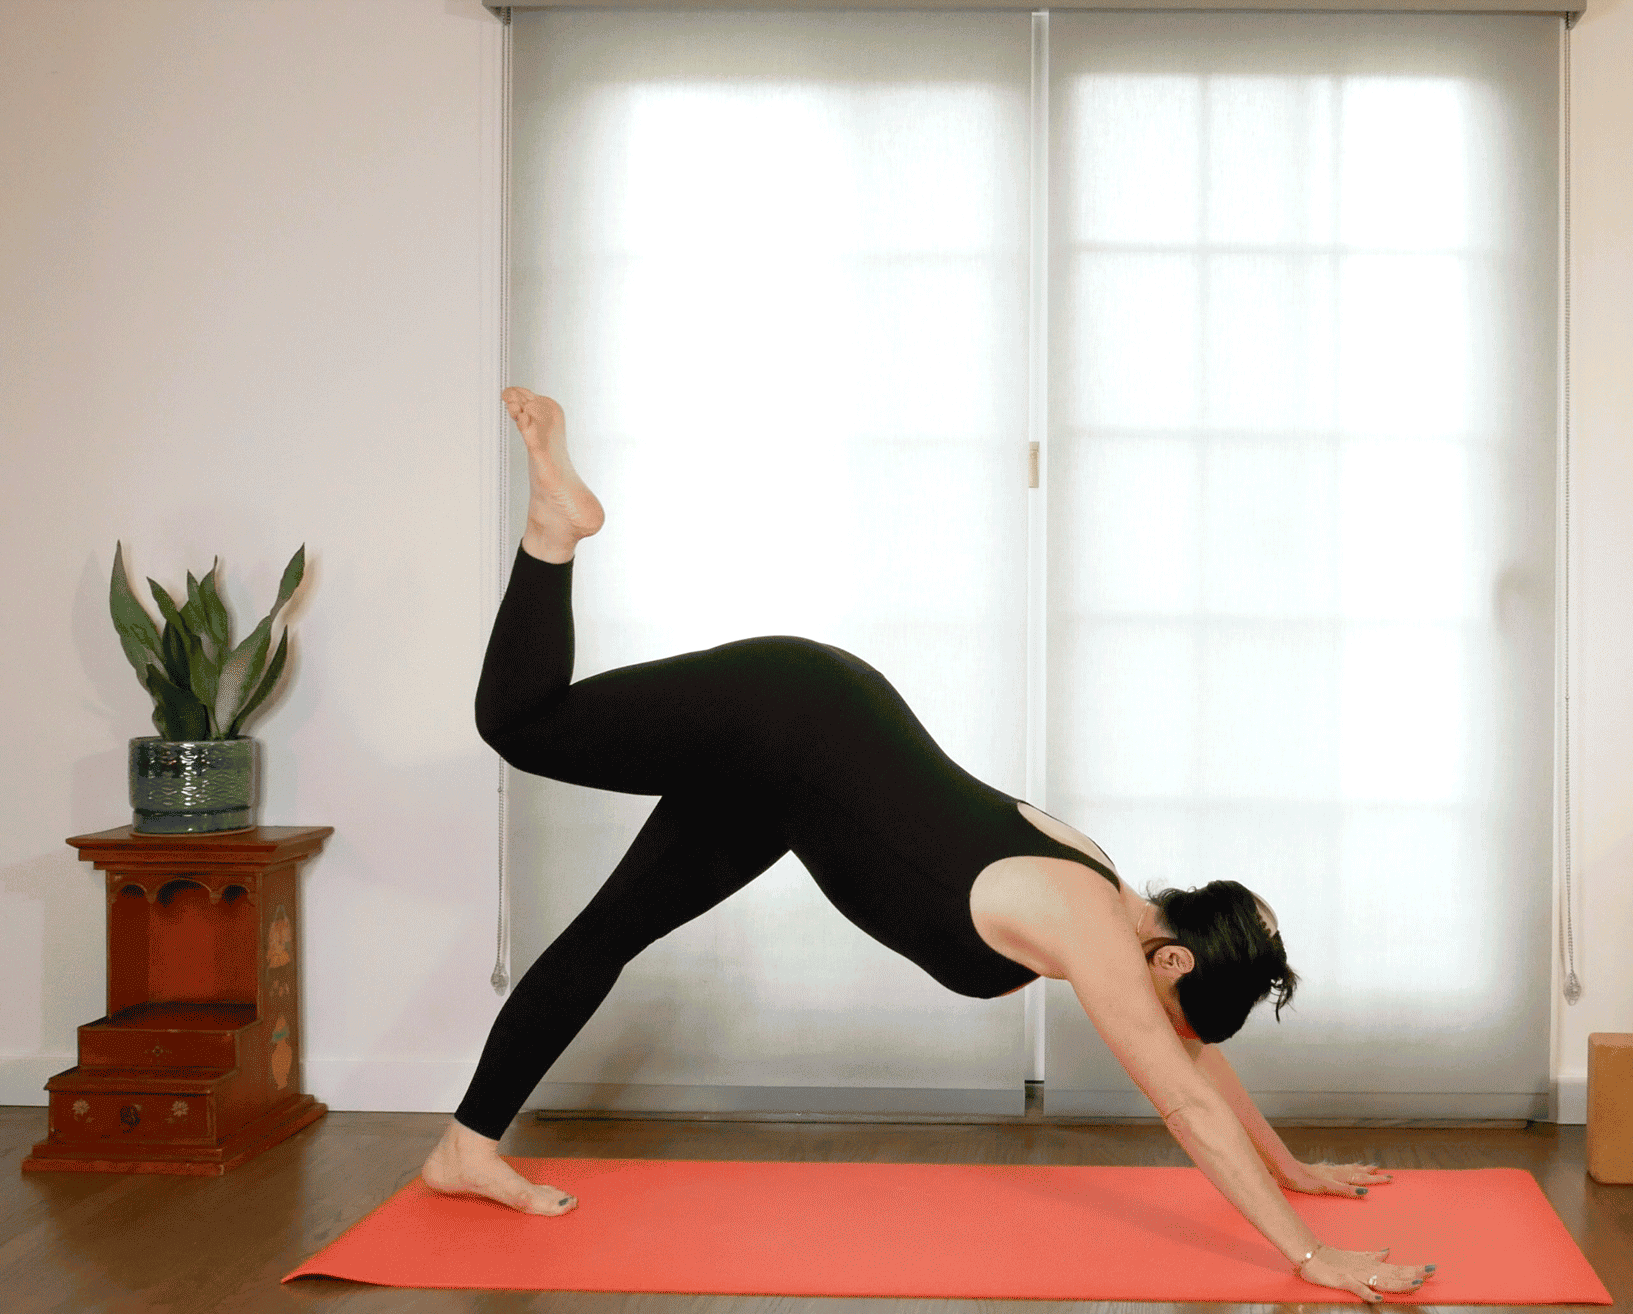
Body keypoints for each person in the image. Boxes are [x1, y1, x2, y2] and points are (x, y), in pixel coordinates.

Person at [417, 389, 1436, 1303]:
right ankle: (555, 532)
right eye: (1174, 1004)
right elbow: (1182, 1099)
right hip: (785, 713)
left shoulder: (1109, 892)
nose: (1165, 1027)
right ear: (1168, 959)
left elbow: (1193, 1061)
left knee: (608, 933)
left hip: (793, 770)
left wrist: (1293, 1168)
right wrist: (1310, 1257)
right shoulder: (1087, 924)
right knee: (521, 723)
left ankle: (466, 1149)